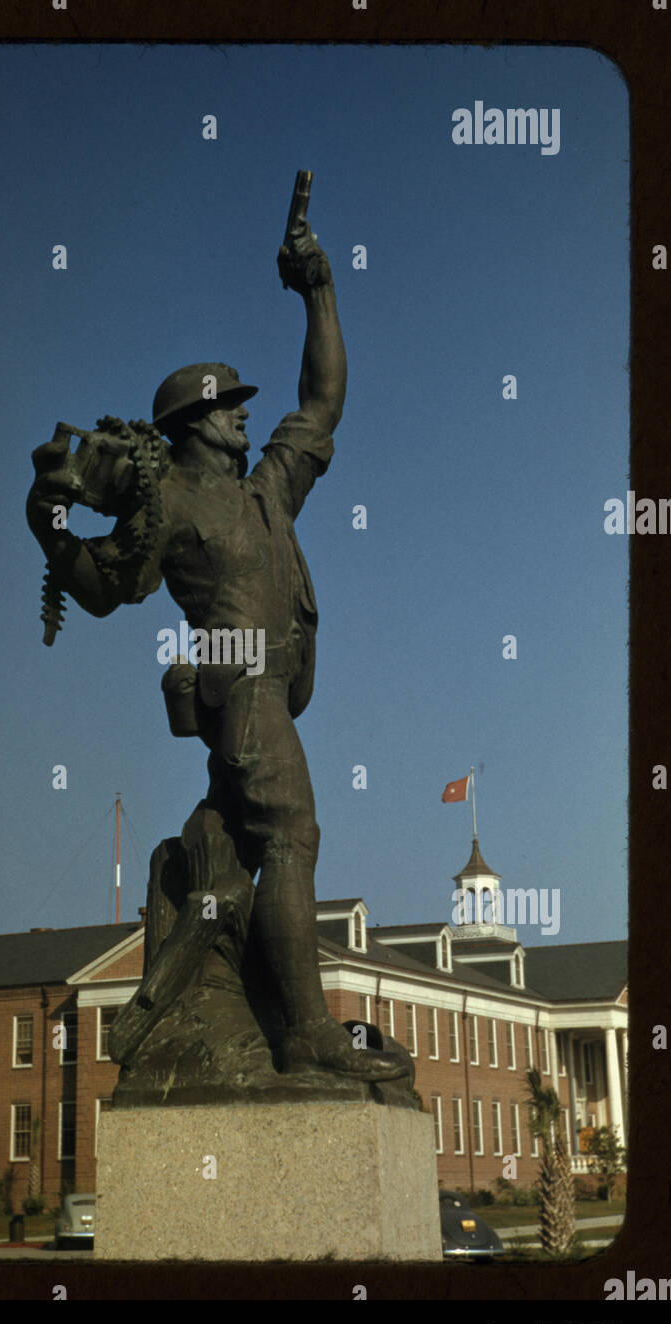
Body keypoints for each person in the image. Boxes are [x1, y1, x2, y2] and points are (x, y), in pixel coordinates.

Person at [27, 218, 406, 1083]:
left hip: (272, 687)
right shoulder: (174, 512)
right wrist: (47, 526)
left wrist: (319, 287)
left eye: (241, 406)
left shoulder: (265, 488)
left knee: (223, 860)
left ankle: (221, 1003)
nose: (245, 416)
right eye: (231, 406)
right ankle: (308, 1034)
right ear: (198, 424)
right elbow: (102, 586)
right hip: (241, 691)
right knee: (293, 834)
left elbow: (322, 400)